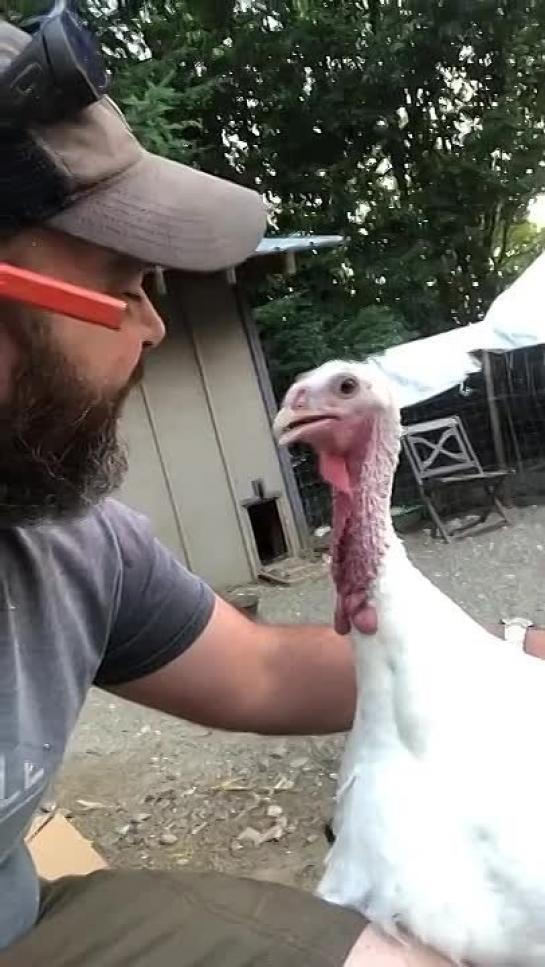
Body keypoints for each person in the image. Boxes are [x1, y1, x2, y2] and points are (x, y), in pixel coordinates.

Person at [1, 16, 543, 967]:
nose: (154, 328)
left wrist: (515, 653)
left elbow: (257, 667)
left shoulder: (65, 540)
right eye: (122, 284)